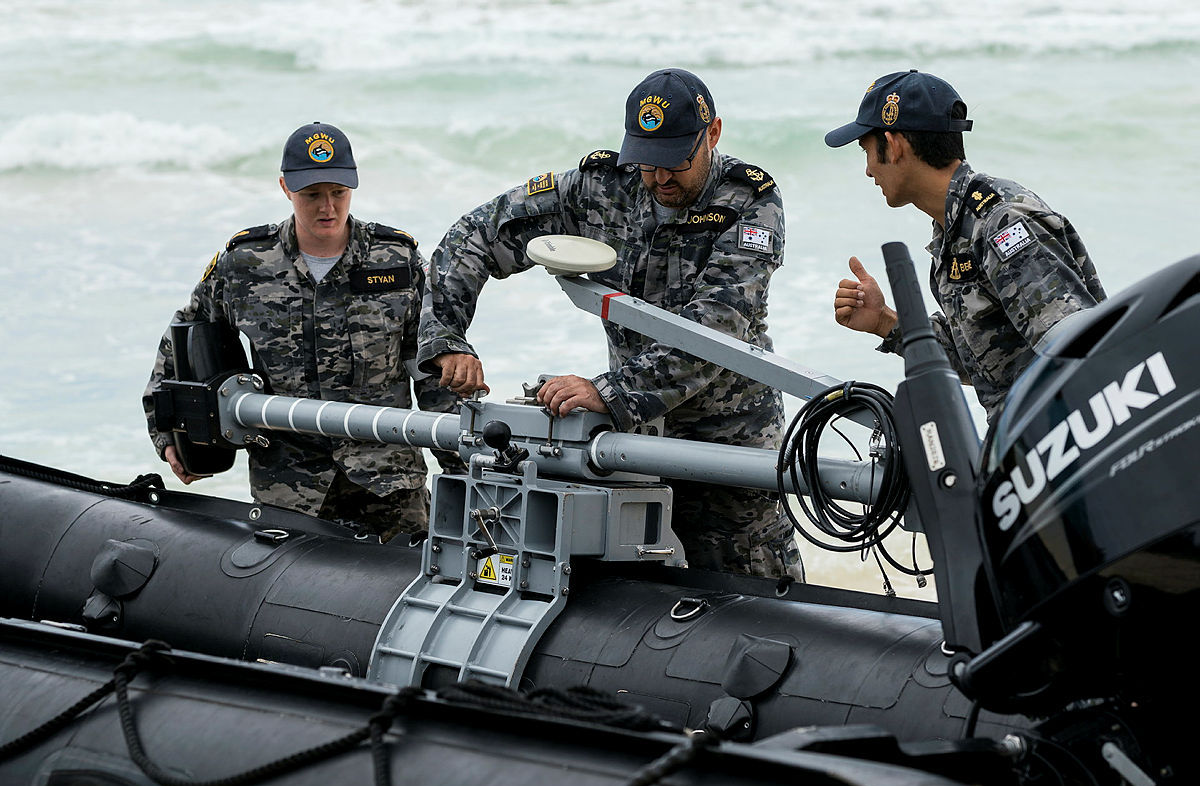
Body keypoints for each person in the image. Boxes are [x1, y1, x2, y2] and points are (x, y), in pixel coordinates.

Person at [417, 68, 803, 580]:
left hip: (727, 449)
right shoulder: (602, 187)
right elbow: (479, 234)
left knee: (757, 598)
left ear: (712, 135)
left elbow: (718, 328)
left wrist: (611, 392)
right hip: (630, 448)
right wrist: (447, 338)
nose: (660, 178)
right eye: (647, 162)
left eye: (676, 162)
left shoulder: (749, 202)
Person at [143, 121, 463, 543]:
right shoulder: (246, 264)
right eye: (312, 195)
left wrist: (463, 467)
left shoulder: (395, 260)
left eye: (338, 193)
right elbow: (184, 342)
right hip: (288, 486)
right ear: (285, 188)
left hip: (388, 484)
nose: (327, 207)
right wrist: (171, 436)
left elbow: (430, 370)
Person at [825, 70, 1106, 424]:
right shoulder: (954, 229)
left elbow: (1077, 351)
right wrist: (885, 321)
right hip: (1026, 444)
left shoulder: (1000, 222)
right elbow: (984, 362)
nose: (868, 171)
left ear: (894, 146)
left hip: (1067, 438)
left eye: (866, 151)